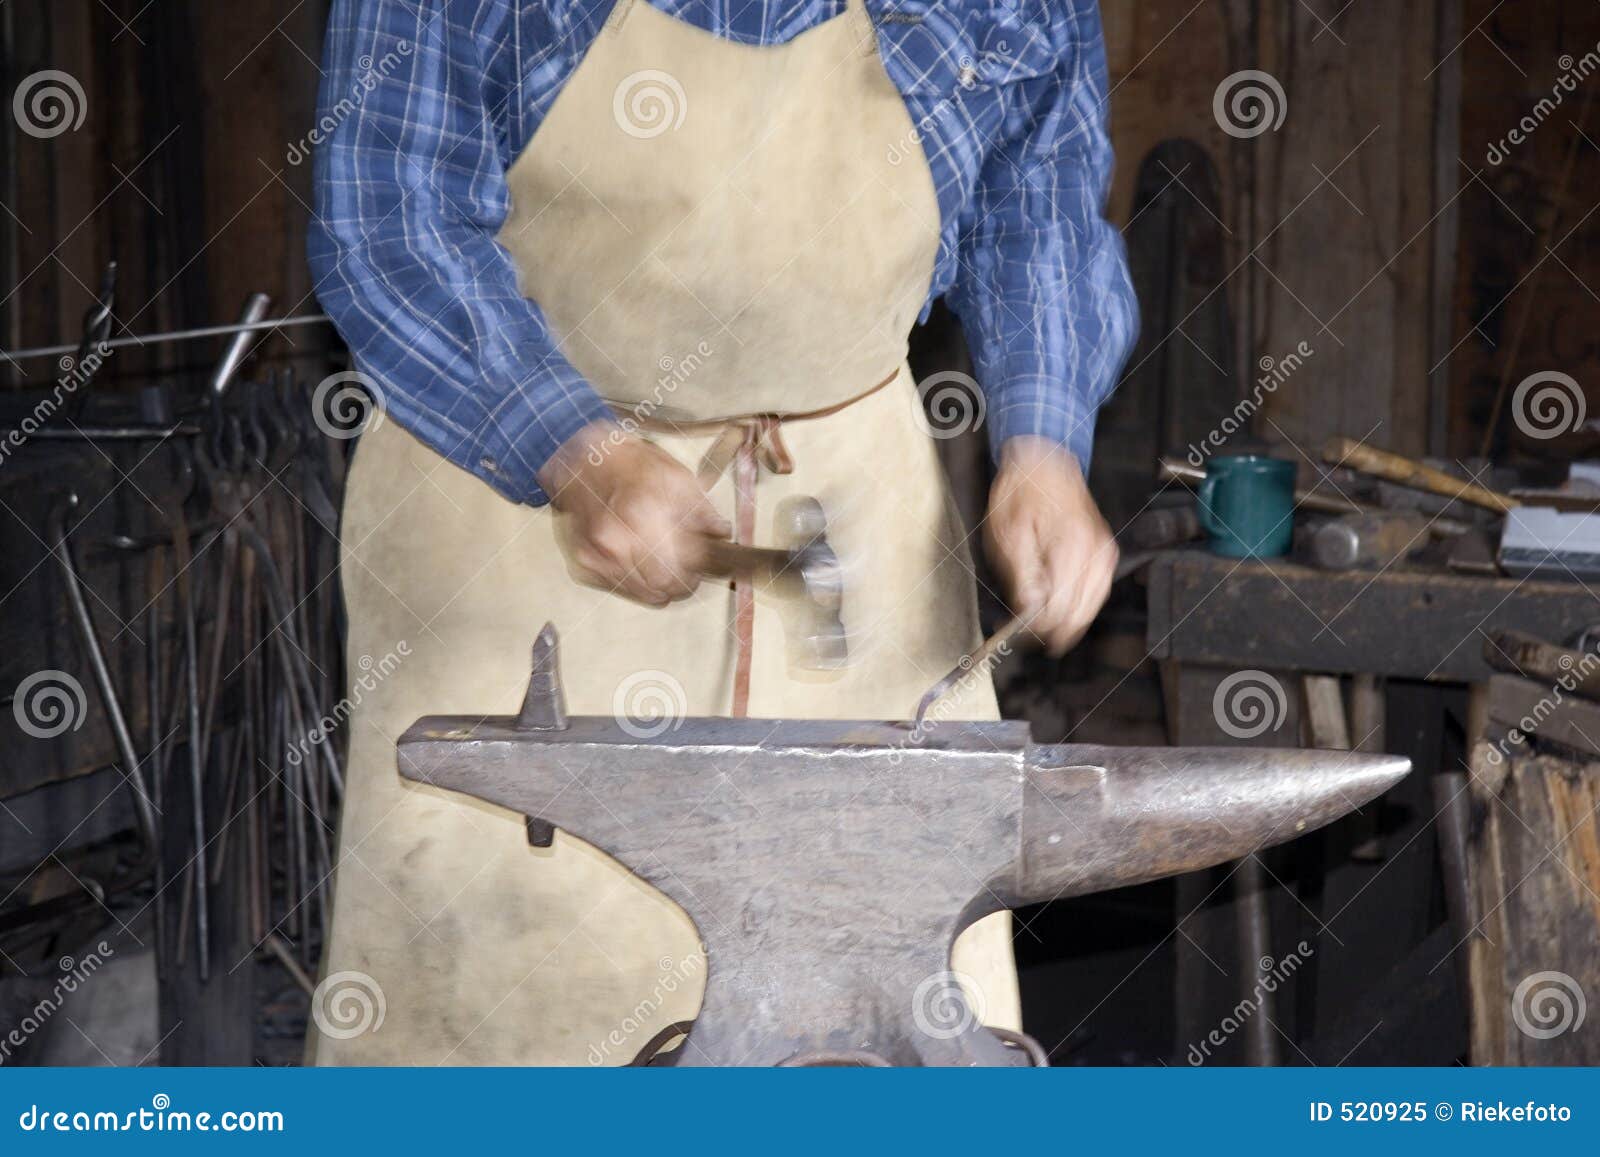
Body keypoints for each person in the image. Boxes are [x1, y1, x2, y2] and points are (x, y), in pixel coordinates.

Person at [306, 0, 1136, 1064]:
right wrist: (575, 450)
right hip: (510, 498)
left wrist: (1045, 441)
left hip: (856, 507)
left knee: (887, 1020)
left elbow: (1040, 197)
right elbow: (389, 216)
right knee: (519, 1009)